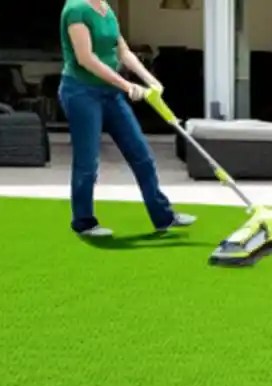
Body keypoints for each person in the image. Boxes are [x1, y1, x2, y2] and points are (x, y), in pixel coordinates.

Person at [58, 0, 195, 238]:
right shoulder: (76, 9)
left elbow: (123, 51)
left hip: (110, 94)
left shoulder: (106, 8)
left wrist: (149, 79)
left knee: (142, 155)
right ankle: (84, 222)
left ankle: (163, 217)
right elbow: (86, 58)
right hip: (81, 93)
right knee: (87, 162)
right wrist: (126, 85)